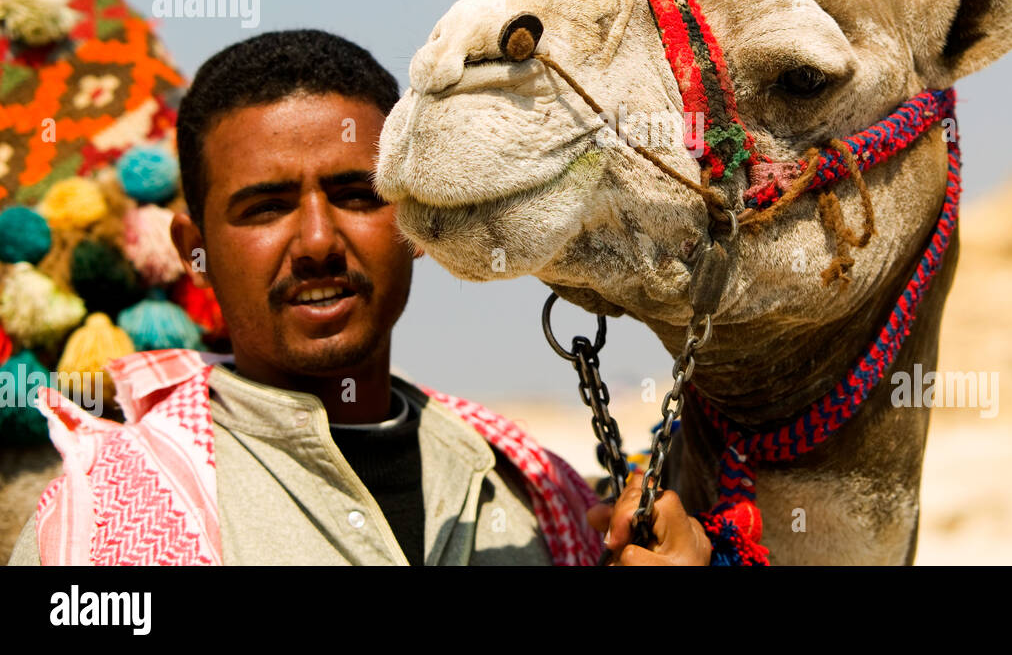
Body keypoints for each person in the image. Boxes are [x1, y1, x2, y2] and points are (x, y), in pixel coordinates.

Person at [7, 29, 708, 566]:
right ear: (194, 249)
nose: (316, 240)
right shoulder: (104, 514)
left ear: (416, 221)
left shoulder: (536, 495)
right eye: (265, 207)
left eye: (354, 196)